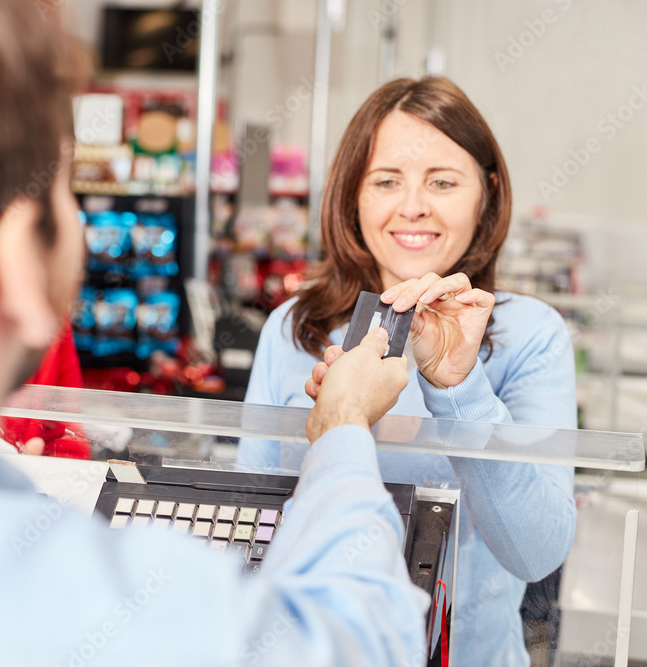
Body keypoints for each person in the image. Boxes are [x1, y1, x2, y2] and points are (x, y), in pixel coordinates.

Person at [0, 1, 429, 664]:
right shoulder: (120, 607)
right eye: (68, 193)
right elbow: (362, 642)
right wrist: (343, 426)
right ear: (19, 265)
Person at [241, 77, 578, 666]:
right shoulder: (295, 328)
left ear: (488, 195)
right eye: (386, 181)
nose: (413, 206)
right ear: (353, 196)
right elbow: (253, 533)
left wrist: (460, 388)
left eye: (443, 182)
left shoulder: (530, 333)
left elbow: (536, 554)